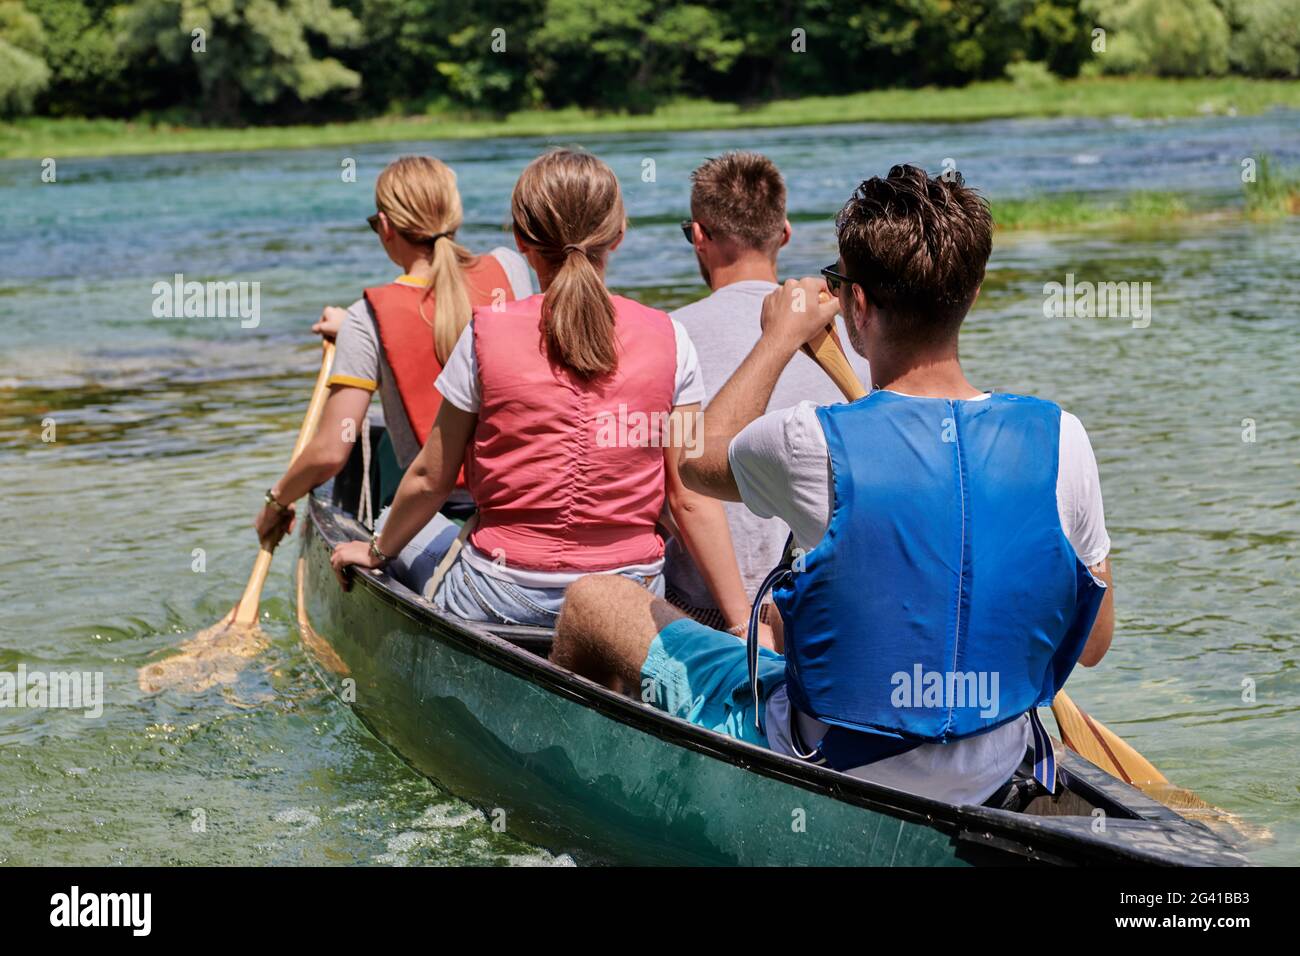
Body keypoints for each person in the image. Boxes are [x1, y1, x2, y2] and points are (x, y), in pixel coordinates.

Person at [551, 164, 1115, 806]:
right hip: (995, 768)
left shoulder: (808, 440)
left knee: (595, 600)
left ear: (858, 305)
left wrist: (779, 338)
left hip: (832, 764)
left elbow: (695, 462)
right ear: (975, 291)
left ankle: (573, 796)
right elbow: (1092, 644)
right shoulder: (1063, 438)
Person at [329, 148, 709, 628]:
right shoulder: (672, 337)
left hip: (502, 594)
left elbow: (430, 478)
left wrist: (376, 550)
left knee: (390, 521)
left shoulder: (485, 332)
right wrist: (738, 623)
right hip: (630, 591)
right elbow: (689, 494)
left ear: (520, 239)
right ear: (618, 234)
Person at [254, 156, 531, 568]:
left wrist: (276, 501)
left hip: (450, 518)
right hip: (529, 500)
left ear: (385, 227)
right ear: (455, 215)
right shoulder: (511, 268)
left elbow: (331, 452)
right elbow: (461, 323)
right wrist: (354, 332)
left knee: (385, 518)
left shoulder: (369, 319)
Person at [665, 152, 871, 641]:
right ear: (785, 233)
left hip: (713, 617)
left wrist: (739, 624)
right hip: (824, 610)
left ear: (698, 235)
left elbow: (679, 495)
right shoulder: (851, 338)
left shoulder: (668, 335)